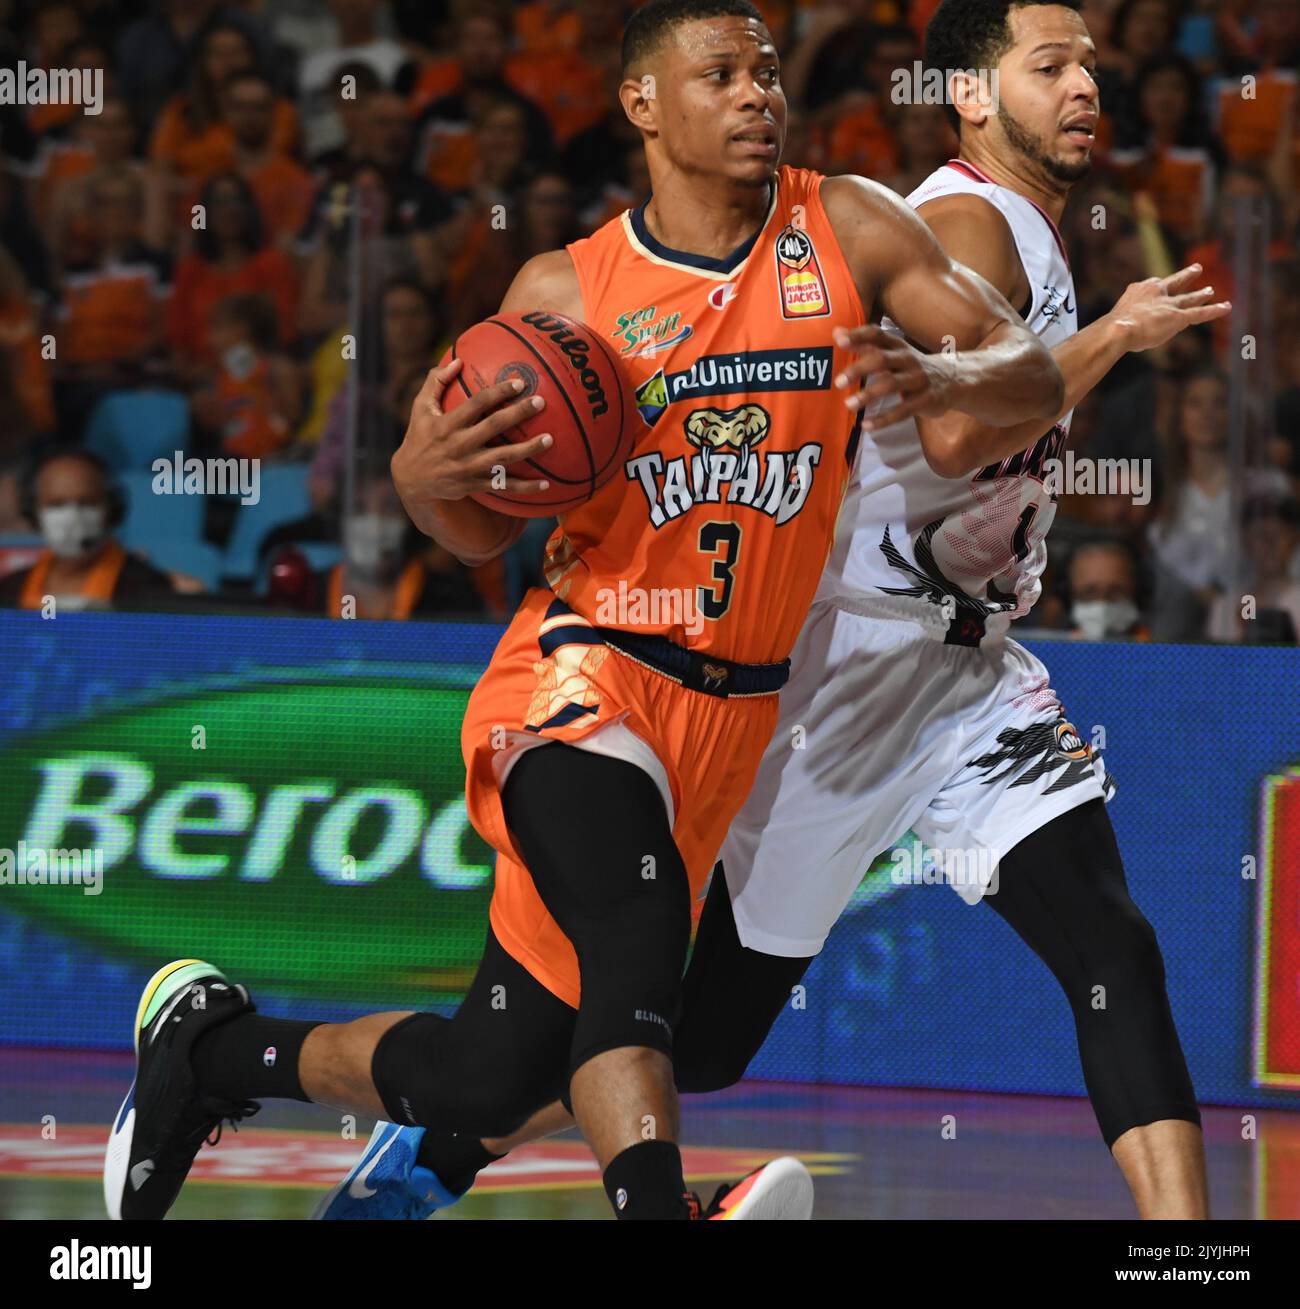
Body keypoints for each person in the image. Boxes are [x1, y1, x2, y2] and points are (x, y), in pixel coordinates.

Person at [104, 0, 1065, 1223]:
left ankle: (213, 1052)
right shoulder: (565, 292)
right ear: (642, 104)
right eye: (718, 74)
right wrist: (420, 484)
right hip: (579, 677)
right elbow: (478, 529)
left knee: (489, 1069)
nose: (758, 93)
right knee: (637, 924)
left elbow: (1026, 365)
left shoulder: (852, 226)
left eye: (767, 71)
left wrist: (951, 372)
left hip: (731, 715)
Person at [317, 0, 1233, 1224]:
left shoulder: (1016, 229)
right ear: (969, 92)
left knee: (1111, 945)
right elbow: (962, 432)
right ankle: (448, 1142)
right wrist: (1104, 337)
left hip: (976, 667)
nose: (1085, 91)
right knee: (694, 1040)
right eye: (1049, 66)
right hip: (845, 654)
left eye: (1090, 68)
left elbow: (990, 398)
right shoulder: (961, 218)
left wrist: (1081, 335)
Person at [0, 449, 181, 610]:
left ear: (112, 509)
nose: (72, 517)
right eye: (57, 504)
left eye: (87, 503)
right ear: (32, 512)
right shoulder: (10, 590)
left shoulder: (148, 589)